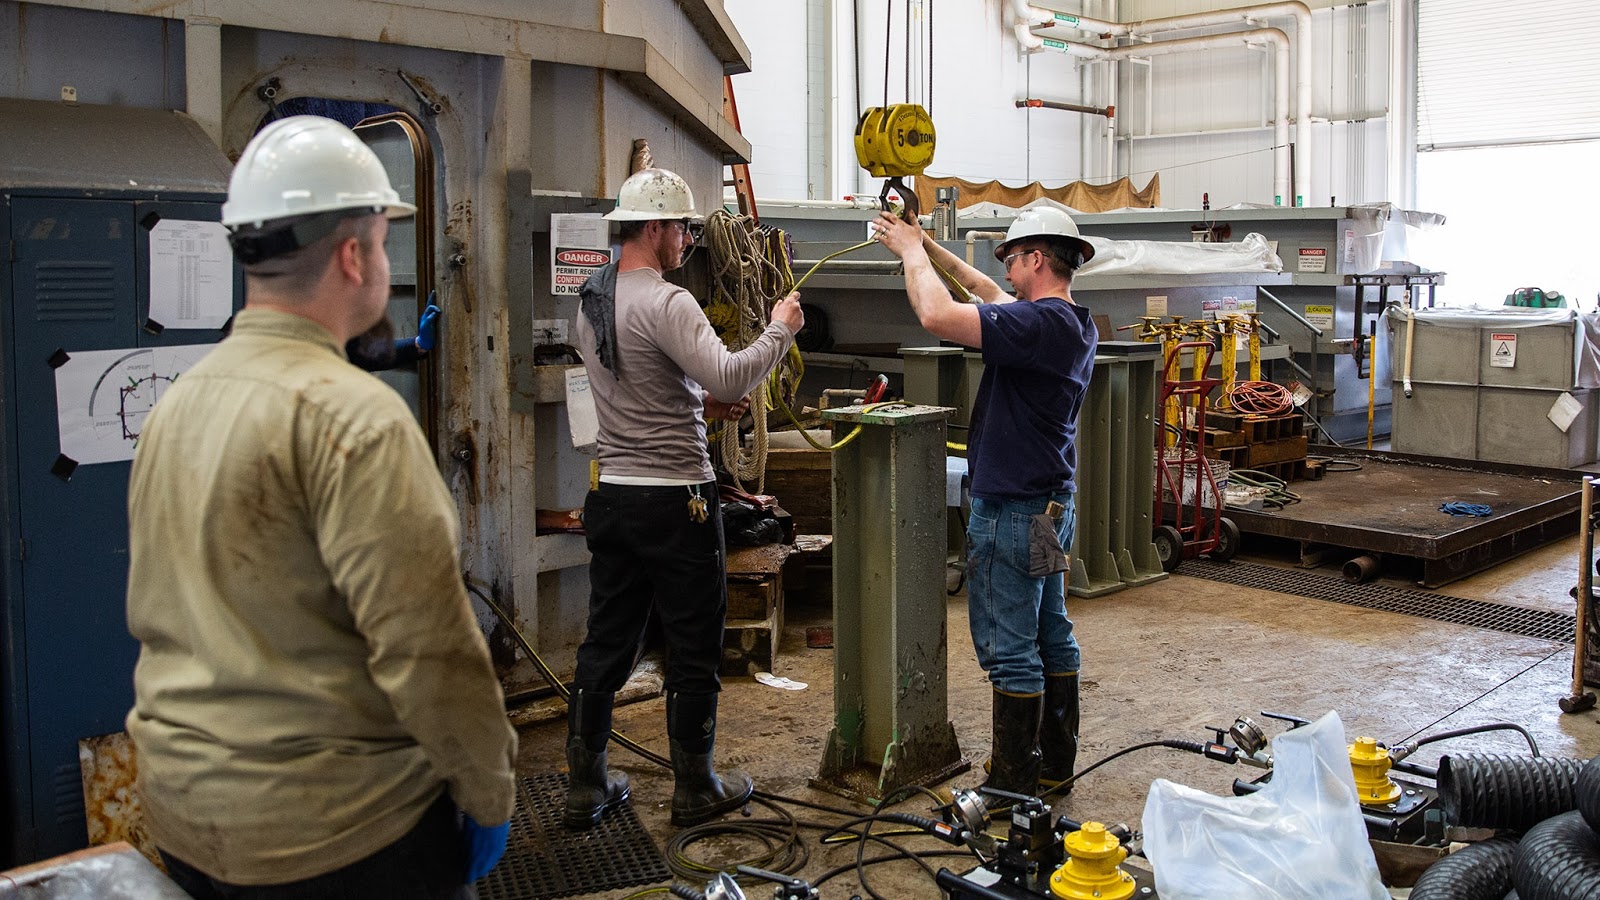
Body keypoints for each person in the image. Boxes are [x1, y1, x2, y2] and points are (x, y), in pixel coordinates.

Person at [124, 115, 518, 898]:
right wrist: (489, 791)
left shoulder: (176, 403)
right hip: (340, 837)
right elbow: (432, 654)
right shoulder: (356, 420)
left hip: (185, 823)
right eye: (380, 238)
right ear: (353, 254)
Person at [566, 168, 803, 829]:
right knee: (694, 641)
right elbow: (731, 371)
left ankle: (585, 785)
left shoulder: (591, 302)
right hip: (679, 504)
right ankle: (696, 786)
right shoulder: (668, 303)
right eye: (682, 228)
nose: (688, 240)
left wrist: (699, 406)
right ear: (655, 228)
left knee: (608, 637)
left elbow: (639, 390)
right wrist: (780, 329)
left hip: (616, 497)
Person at [872, 206, 1097, 796]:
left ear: (1037, 259)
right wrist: (925, 243)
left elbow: (937, 314)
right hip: (1049, 511)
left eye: (1012, 256)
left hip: (1014, 515)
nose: (1005, 267)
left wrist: (908, 254)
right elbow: (981, 289)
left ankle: (1011, 787)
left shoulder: (1039, 326)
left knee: (1010, 647)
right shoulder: (1069, 321)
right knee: (1051, 627)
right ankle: (1052, 767)